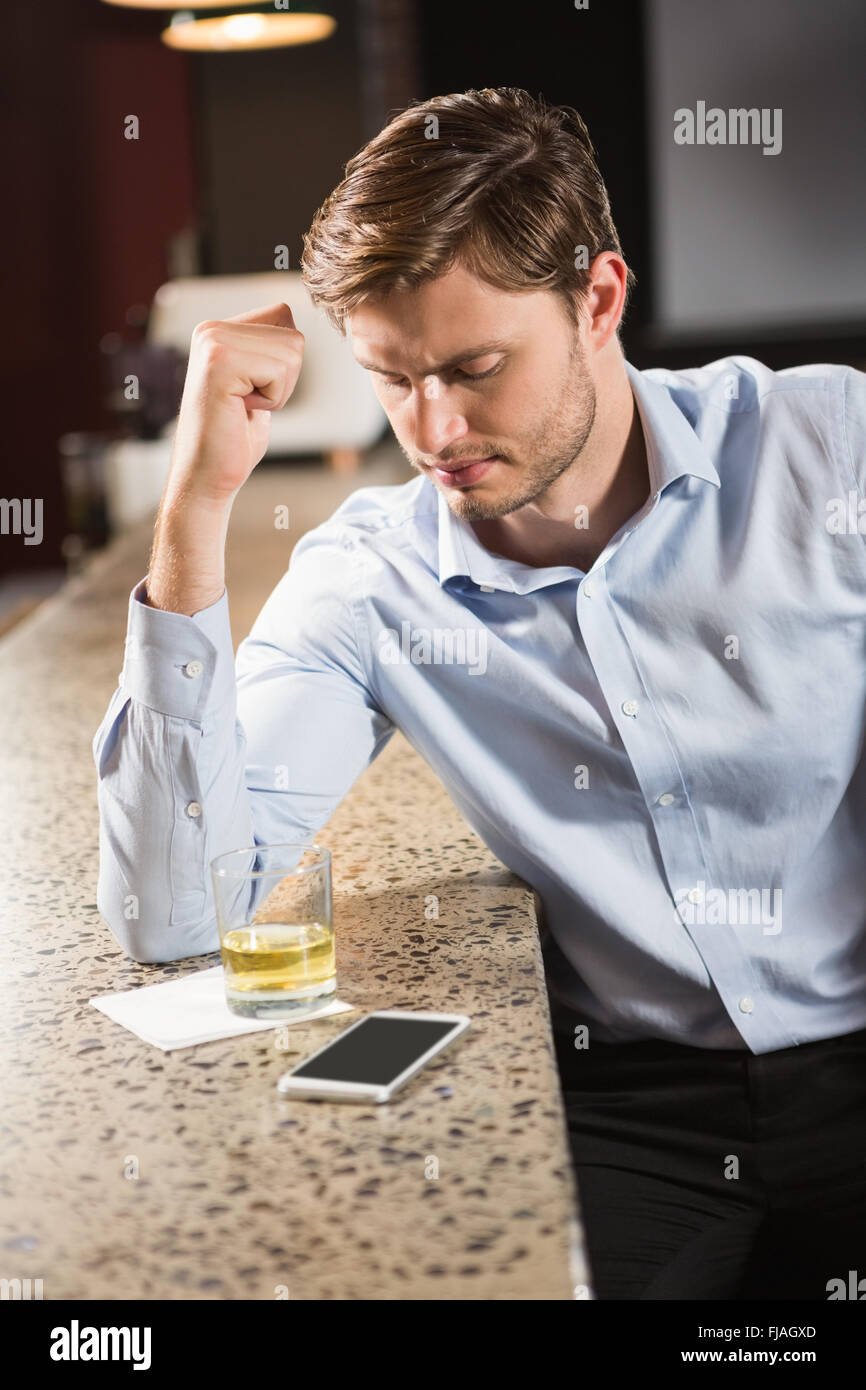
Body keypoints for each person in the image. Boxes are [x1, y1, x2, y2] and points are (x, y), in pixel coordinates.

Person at [92, 86, 866, 1300]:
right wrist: (195, 510)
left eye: (473, 366)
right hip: (627, 1108)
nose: (435, 428)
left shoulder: (825, 450)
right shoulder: (371, 581)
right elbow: (178, 915)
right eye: (392, 381)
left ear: (597, 300)